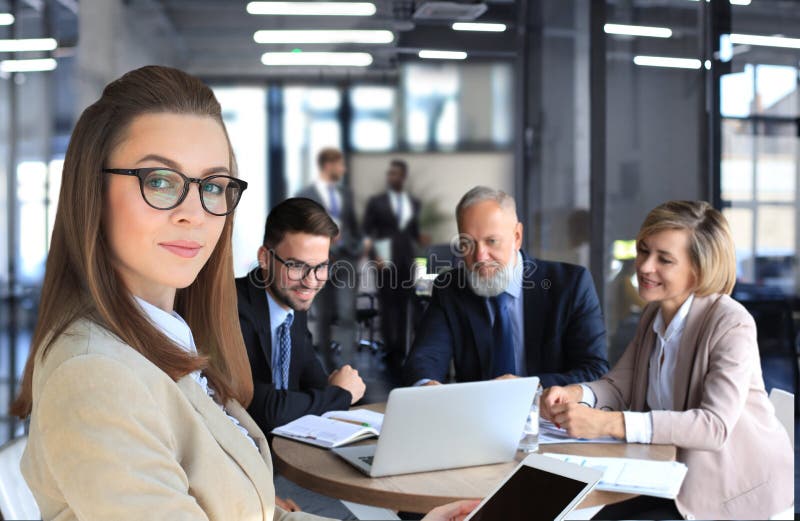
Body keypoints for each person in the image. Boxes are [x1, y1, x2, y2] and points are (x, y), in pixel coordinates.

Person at [10, 65, 477, 521]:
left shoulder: (172, 340)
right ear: (91, 193)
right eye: (159, 181)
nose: (195, 213)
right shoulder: (98, 376)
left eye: (213, 186)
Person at [540, 200, 793, 520]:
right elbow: (619, 387)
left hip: (726, 491)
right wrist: (577, 393)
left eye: (664, 259)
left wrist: (608, 423)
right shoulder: (653, 315)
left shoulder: (731, 323)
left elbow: (713, 426)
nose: (645, 267)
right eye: (644, 251)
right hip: (666, 473)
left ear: (699, 270)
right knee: (564, 511)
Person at [403, 186, 609, 387]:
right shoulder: (450, 289)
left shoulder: (571, 285)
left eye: (491, 241)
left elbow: (594, 369)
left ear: (517, 237)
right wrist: (426, 386)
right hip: (478, 409)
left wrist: (529, 387)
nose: (480, 256)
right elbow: (425, 357)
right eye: (468, 244)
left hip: (547, 408)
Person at [237, 197, 366, 434]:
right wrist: (341, 393)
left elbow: (315, 383)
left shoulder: (293, 308)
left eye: (321, 266)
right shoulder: (233, 308)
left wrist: (336, 391)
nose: (310, 281)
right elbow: (265, 411)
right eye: (297, 266)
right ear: (264, 258)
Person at [296, 148, 364, 366]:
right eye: (340, 165)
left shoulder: (346, 194)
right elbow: (300, 229)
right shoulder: (305, 195)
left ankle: (347, 365)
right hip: (319, 262)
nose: (343, 170)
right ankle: (326, 365)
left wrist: (357, 246)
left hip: (346, 260)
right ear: (328, 165)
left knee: (347, 315)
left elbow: (354, 227)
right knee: (323, 316)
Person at [363, 159, 423, 370]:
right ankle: (389, 348)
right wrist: (374, 256)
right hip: (384, 256)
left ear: (403, 176)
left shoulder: (413, 202)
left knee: (405, 303)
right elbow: (367, 231)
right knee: (387, 304)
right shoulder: (376, 202)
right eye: (390, 173)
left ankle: (402, 347)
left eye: (396, 174)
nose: (391, 177)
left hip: (406, 258)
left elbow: (413, 232)